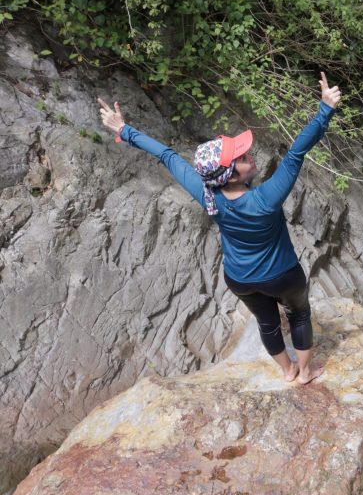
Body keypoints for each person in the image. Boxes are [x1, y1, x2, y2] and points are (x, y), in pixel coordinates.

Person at [97, 72, 341, 385]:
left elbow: (167, 156)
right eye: (240, 157)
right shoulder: (266, 198)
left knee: (267, 323)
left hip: (239, 278)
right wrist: (325, 109)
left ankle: (287, 370)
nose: (248, 155)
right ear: (230, 174)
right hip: (282, 275)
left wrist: (123, 129)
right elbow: (296, 154)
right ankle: (305, 371)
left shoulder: (207, 193)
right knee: (299, 315)